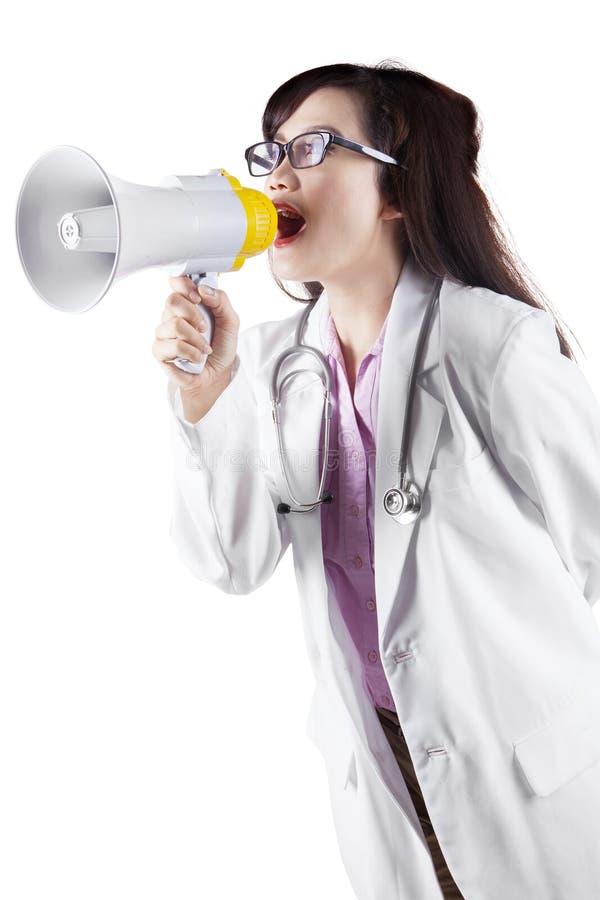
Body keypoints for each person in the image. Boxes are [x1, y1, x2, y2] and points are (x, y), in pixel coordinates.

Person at [152, 61, 600, 900]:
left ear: (398, 192)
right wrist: (205, 395)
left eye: (315, 147)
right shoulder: (272, 362)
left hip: (532, 782)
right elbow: (232, 562)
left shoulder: (493, 346)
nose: (279, 172)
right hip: (386, 781)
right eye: (273, 151)